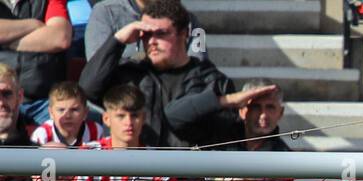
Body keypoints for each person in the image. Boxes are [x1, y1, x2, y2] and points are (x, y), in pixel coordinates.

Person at [78, 0, 265, 149]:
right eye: (145, 35)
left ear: (184, 34)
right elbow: (87, 88)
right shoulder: (130, 75)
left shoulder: (213, 82)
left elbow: (224, 141)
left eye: (160, 34)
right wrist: (118, 40)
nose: (151, 41)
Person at [0, 0, 71, 127]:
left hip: (45, 101)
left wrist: (6, 41)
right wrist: (34, 24)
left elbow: (60, 38)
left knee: (67, 128)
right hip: (2, 97)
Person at [29, 82, 102, 147]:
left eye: (74, 110)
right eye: (61, 110)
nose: (68, 116)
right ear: (51, 113)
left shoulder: (96, 131)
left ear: (85, 112)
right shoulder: (42, 135)